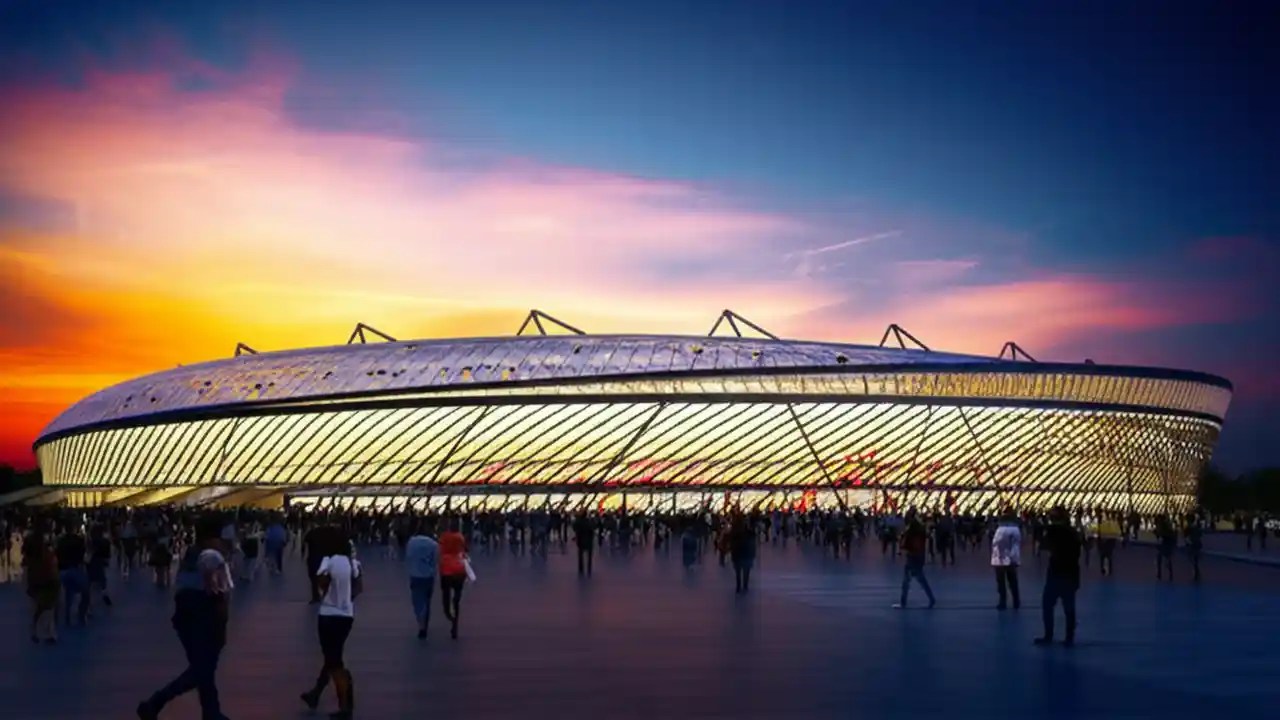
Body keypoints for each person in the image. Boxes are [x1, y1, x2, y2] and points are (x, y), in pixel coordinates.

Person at [137, 516, 234, 720]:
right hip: (205, 618)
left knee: (203, 669)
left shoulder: (192, 553)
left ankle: (211, 712)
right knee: (202, 670)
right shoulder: (212, 557)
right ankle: (157, 702)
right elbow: (219, 594)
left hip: (186, 617)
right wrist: (222, 624)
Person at [300, 530, 361, 719]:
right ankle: (316, 694)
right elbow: (358, 588)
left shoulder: (328, 561)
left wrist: (329, 594)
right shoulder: (353, 563)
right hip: (346, 615)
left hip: (328, 614)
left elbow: (321, 582)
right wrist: (345, 599)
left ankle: (346, 705)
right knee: (333, 656)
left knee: (334, 661)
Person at [1035, 507, 1081, 647]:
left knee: (1048, 605)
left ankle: (1048, 635)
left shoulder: (1052, 531)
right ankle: (1069, 637)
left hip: (1056, 573)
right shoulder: (1073, 532)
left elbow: (1043, 545)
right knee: (1069, 607)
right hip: (1071, 573)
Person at [24, 528, 60, 644]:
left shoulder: (34, 556)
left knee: (40, 608)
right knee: (46, 608)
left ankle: (39, 631)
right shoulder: (46, 554)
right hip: (46, 582)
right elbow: (52, 568)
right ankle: (48, 633)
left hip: (40, 583)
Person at [405, 520, 439, 639]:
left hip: (415, 574)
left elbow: (408, 556)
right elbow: (435, 561)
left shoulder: (411, 542)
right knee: (427, 600)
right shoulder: (433, 544)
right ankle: (425, 622)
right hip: (428, 575)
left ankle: (421, 624)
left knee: (417, 601)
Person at [438, 517, 468, 640]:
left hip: (446, 568)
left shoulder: (444, 537)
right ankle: (455, 621)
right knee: (457, 595)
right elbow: (464, 550)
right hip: (459, 568)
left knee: (445, 594)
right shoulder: (460, 537)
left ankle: (448, 613)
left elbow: (440, 550)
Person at [895, 517, 935, 608]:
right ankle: (931, 598)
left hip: (911, 558)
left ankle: (903, 602)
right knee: (922, 579)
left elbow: (904, 545)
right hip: (920, 557)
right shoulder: (921, 532)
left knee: (906, 581)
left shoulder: (909, 533)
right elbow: (929, 536)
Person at [56, 524, 89, 626]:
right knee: (85, 592)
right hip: (75, 569)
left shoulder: (60, 541)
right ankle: (81, 615)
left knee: (68, 593)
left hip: (62, 570)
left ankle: (66, 616)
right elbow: (83, 554)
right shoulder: (79, 540)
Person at [990, 511, 1022, 610]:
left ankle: (1003, 601)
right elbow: (1017, 543)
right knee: (1013, 580)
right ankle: (1016, 601)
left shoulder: (1000, 530)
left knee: (1001, 582)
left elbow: (996, 543)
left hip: (1000, 558)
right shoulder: (1016, 529)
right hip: (1012, 558)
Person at [88, 524, 114, 610]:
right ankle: (104, 594)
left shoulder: (91, 541)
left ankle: (89, 603)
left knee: (90, 582)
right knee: (102, 580)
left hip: (92, 562)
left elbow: (89, 552)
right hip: (100, 562)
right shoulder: (105, 542)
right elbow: (108, 555)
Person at [729, 514, 757, 594]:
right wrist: (753, 554)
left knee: (738, 571)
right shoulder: (749, 532)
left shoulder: (734, 532)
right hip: (747, 554)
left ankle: (738, 586)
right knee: (746, 570)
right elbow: (753, 542)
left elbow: (732, 543)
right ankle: (745, 585)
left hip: (737, 554)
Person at [573, 512, 596, 577]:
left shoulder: (578, 522)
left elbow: (574, 528)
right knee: (589, 556)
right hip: (589, 540)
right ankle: (589, 569)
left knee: (580, 555)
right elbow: (593, 528)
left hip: (581, 540)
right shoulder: (590, 521)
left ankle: (581, 569)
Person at [1155, 515, 1177, 581]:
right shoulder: (1165, 526)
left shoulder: (1163, 526)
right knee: (1164, 559)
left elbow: (1162, 535)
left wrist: (1158, 535)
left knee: (1161, 559)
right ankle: (1168, 574)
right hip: (1166, 545)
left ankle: (1160, 573)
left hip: (1165, 544)